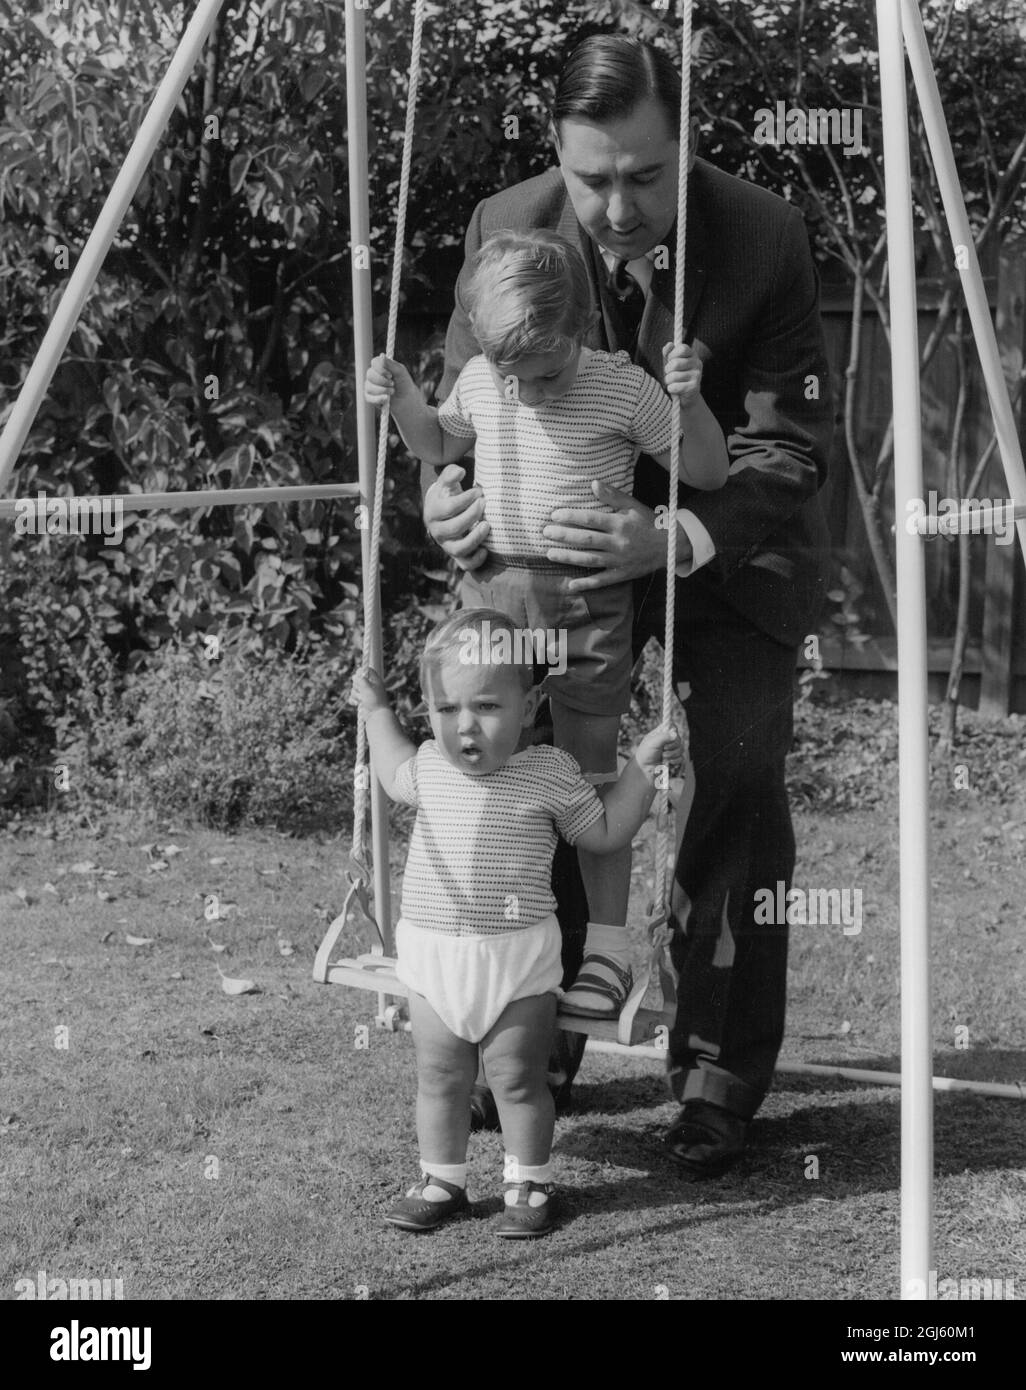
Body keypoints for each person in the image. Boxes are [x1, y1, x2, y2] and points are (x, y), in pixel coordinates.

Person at [420, 31, 834, 1176]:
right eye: (591, 177)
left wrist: (674, 533)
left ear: (683, 145)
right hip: (548, 567)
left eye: (644, 178)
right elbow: (459, 414)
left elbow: (787, 443)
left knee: (736, 776)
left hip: (723, 551)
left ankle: (714, 1076)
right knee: (535, 771)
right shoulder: (506, 222)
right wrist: (442, 497)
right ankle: (538, 1040)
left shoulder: (763, 233)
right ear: (555, 149)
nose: (614, 208)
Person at [364, 228, 726, 1021]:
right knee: (484, 769)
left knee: (593, 783)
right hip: (493, 596)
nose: (527, 391)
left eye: (546, 371)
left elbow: (706, 471)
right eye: (510, 375)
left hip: (589, 601)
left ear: (581, 330)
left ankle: (605, 951)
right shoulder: (491, 385)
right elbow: (437, 441)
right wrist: (406, 403)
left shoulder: (625, 387)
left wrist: (690, 404)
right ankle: (482, 925)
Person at [352, 608, 681, 1236]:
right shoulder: (427, 767)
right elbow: (391, 763)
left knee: (517, 1079)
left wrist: (641, 767)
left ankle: (528, 1182)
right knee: (440, 1077)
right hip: (432, 962)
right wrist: (375, 710)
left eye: (486, 707)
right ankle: (442, 1179)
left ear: (529, 706)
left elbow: (606, 832)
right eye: (446, 710)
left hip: (517, 964)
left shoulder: (549, 774)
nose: (464, 727)